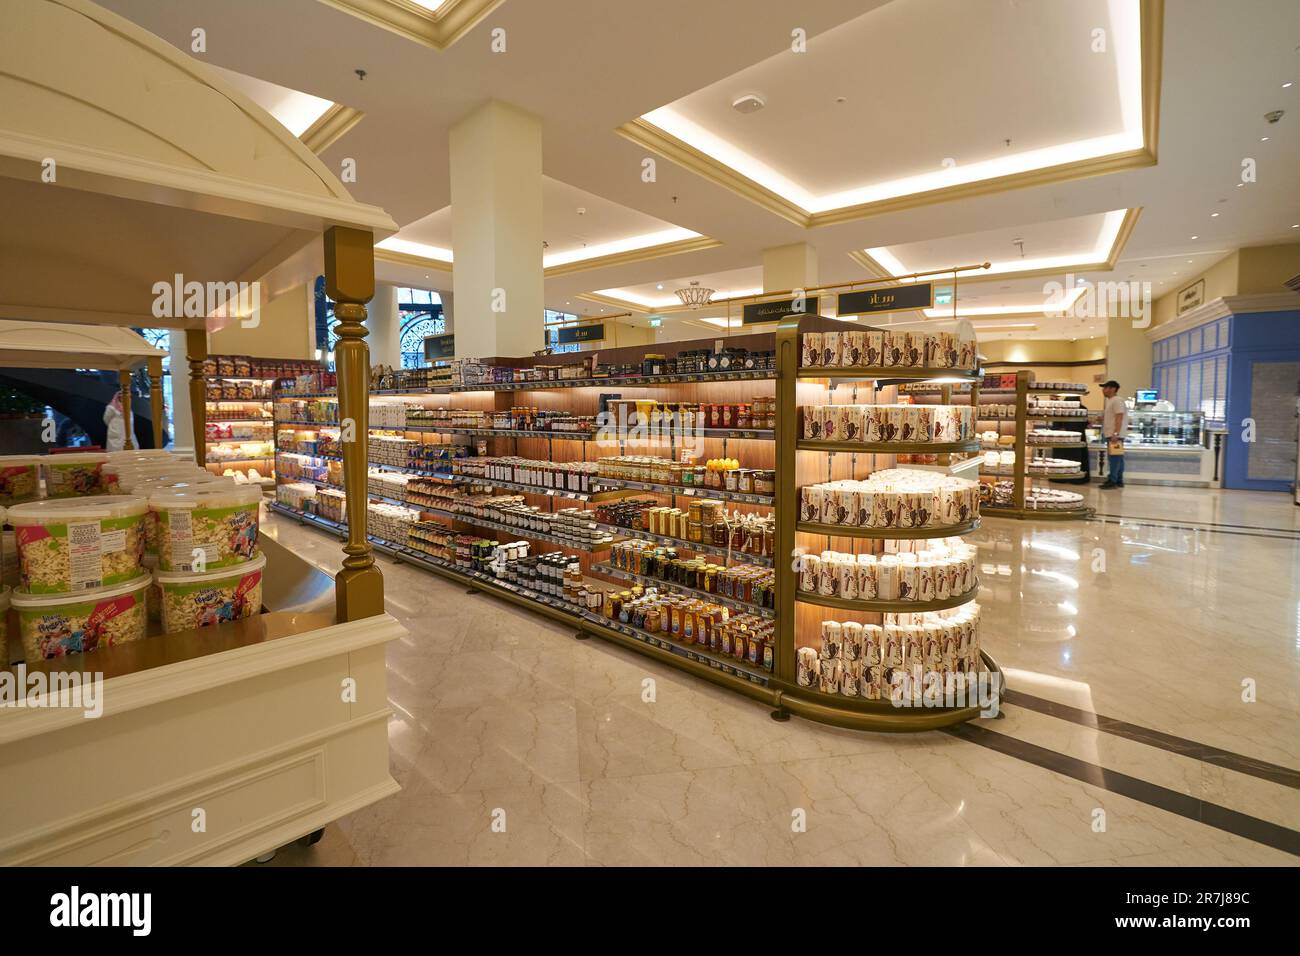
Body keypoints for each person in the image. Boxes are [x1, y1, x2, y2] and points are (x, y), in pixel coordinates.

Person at [1099, 380, 1128, 489]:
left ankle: (1112, 481)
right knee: (1118, 458)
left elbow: (1119, 417)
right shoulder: (1110, 401)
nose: (1103, 390)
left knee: (1114, 458)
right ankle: (1119, 480)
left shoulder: (1117, 400)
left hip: (1114, 435)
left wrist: (1115, 433)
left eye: (1105, 388)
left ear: (1113, 389)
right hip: (1113, 434)